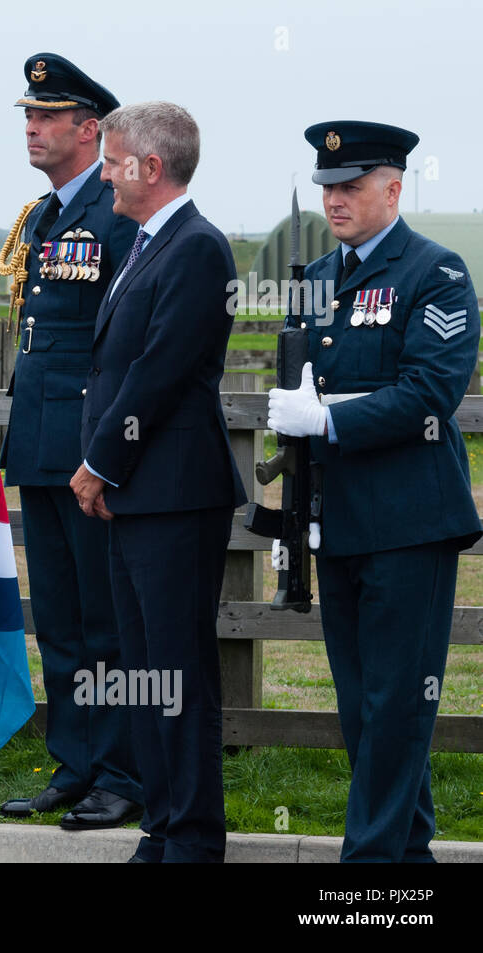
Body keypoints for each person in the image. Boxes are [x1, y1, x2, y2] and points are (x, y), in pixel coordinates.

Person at [267, 122, 480, 862]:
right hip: (339, 520)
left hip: (409, 517)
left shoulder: (436, 272)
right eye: (328, 186)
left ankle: (371, 869)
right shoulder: (318, 276)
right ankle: (407, 853)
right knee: (363, 704)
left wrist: (326, 417)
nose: (335, 198)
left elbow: (428, 391)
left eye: (352, 184)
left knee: (397, 702)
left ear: (394, 187)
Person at [70, 102, 246, 863]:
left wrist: (101, 461)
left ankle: (195, 838)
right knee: (145, 676)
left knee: (178, 673)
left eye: (111, 161)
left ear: (150, 167)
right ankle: (162, 825)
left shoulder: (198, 248)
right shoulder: (146, 243)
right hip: (137, 495)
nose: (103, 173)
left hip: (173, 493)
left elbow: (159, 373)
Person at [0, 53, 142, 828]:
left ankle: (123, 771)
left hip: (91, 450)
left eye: (48, 116)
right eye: (29, 114)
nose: (32, 126)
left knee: (105, 622)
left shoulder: (116, 213)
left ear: (91, 130)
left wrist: (108, 453)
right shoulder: (45, 216)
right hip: (42, 446)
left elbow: (124, 343)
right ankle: (76, 763)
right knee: (57, 616)